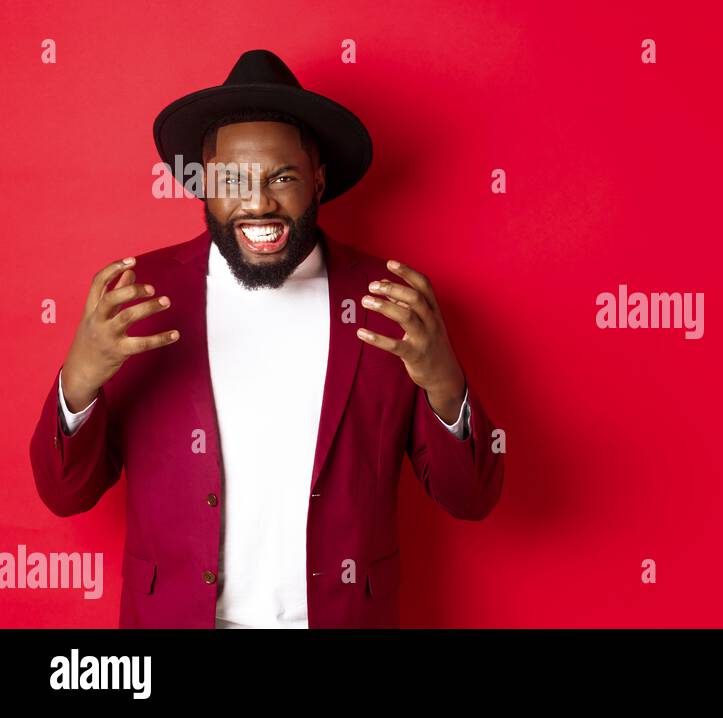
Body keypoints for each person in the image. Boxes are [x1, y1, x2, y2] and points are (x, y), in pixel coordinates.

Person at [28, 49, 504, 628]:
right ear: (202, 185)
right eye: (232, 179)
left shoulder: (392, 301)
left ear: (319, 181)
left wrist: (443, 382)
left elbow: (471, 498)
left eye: (283, 178)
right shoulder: (136, 298)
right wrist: (79, 382)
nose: (258, 203)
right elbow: (65, 494)